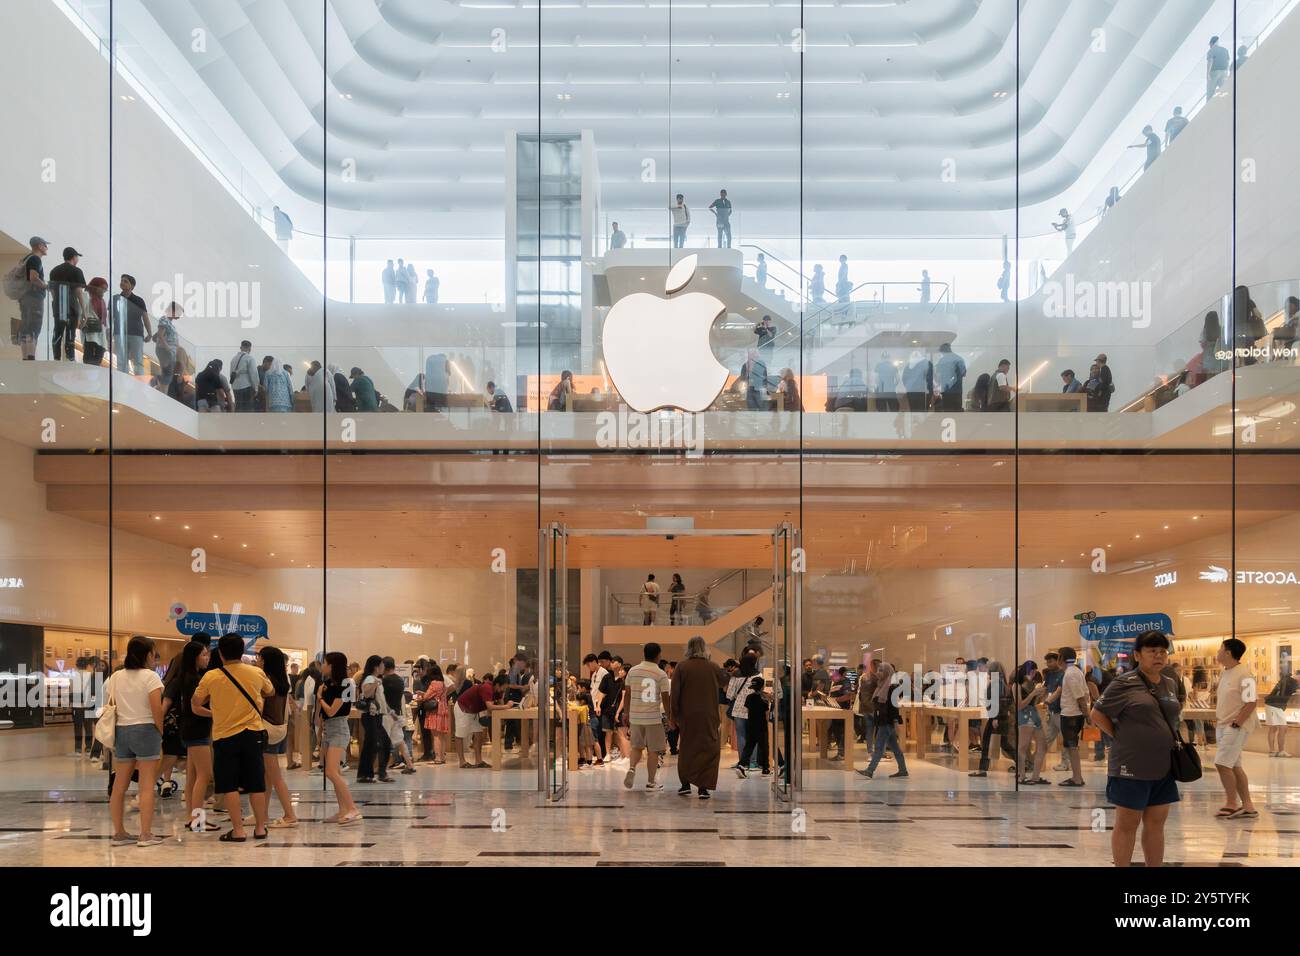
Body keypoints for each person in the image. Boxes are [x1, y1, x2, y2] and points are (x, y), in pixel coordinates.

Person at [1089, 631, 1182, 866]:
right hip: (1131, 765)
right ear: (1137, 655)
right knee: (1127, 823)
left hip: (1164, 765)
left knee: (1156, 824)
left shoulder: (1171, 683)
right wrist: (1119, 736)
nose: (1158, 656)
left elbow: (1173, 716)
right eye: (1152, 651)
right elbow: (1097, 714)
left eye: (1162, 651)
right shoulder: (1124, 683)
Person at [191, 634, 273, 842]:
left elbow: (195, 703)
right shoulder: (256, 672)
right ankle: (261, 828)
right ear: (241, 651)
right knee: (256, 783)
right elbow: (270, 691)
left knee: (229, 784)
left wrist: (214, 709)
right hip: (253, 733)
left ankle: (238, 831)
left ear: (220, 653)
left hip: (224, 736)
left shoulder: (211, 676)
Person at [105, 636, 166, 847]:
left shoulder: (115, 677)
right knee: (146, 785)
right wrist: (160, 730)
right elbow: (156, 709)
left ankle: (119, 833)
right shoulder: (150, 677)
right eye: (153, 652)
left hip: (122, 731)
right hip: (146, 729)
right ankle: (145, 835)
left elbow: (111, 704)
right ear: (147, 654)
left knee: (119, 786)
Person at [671, 636, 729, 798]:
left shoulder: (681, 667)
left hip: (687, 716)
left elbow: (674, 694)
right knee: (709, 748)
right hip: (709, 714)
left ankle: (685, 784)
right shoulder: (712, 666)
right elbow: (725, 681)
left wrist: (673, 716)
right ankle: (703, 786)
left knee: (687, 748)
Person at [253, 645, 299, 827]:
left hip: (266, 731)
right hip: (278, 729)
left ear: (264, 660)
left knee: (275, 777)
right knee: (268, 777)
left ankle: (290, 815)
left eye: (258, 657)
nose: (257, 660)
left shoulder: (266, 680)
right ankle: (261, 814)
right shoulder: (282, 681)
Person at [619, 642, 673, 791]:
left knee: (636, 747)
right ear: (658, 655)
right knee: (653, 751)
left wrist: (626, 713)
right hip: (653, 718)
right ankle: (650, 782)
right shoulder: (660, 674)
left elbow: (628, 694)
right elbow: (665, 698)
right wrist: (669, 716)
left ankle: (631, 768)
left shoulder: (633, 671)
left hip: (636, 717)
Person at [316, 652, 362, 825]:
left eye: (325, 663)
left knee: (331, 772)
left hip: (339, 730)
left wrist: (319, 697)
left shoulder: (345, 684)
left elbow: (331, 711)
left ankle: (352, 808)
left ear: (333, 665)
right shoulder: (328, 683)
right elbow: (323, 715)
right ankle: (342, 810)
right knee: (334, 772)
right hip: (329, 730)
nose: (323, 666)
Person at [1214, 638, 1258, 818]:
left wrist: (1236, 723)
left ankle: (1232, 802)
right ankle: (1248, 806)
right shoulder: (1226, 672)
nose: (1217, 652)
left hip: (1236, 725)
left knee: (1222, 763)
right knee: (1234, 765)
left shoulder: (1245, 674)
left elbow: (1251, 702)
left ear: (1228, 653)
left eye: (1220, 649)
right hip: (1224, 724)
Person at [858, 661, 908, 779]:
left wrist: (895, 722)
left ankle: (870, 770)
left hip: (887, 722)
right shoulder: (881, 685)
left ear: (887, 672)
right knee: (895, 748)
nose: (878, 673)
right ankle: (903, 770)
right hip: (882, 721)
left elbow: (893, 706)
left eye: (881, 670)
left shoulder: (891, 687)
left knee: (879, 747)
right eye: (878, 670)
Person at [456, 672, 507, 768]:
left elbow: (500, 704)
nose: (504, 689)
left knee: (479, 734)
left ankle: (478, 761)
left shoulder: (498, 692)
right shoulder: (487, 687)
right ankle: (462, 762)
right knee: (460, 735)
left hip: (474, 711)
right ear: (497, 685)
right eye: (503, 687)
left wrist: (504, 705)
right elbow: (490, 706)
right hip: (463, 708)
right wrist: (507, 706)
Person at [1057, 646, 1090, 786]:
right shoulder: (1077, 671)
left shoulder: (1070, 673)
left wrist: (1087, 716)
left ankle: (1077, 778)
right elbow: (1085, 694)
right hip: (1073, 714)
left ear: (1062, 658)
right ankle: (1077, 777)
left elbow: (1080, 697)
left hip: (1071, 715)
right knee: (1072, 747)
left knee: (1072, 747)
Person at [357, 655, 393, 783]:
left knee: (373, 744)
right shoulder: (370, 679)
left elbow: (380, 700)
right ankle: (371, 774)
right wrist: (376, 683)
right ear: (376, 666)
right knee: (378, 744)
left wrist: (390, 712)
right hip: (371, 716)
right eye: (382, 665)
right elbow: (367, 694)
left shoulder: (375, 678)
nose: (384, 667)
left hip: (376, 717)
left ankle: (368, 774)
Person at [48, 246, 86, 362]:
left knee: (58, 332)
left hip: (58, 307)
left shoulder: (54, 270)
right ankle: (70, 358)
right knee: (70, 334)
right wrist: (84, 310)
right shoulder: (76, 271)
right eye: (77, 257)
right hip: (71, 307)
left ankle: (56, 358)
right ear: (74, 257)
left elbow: (53, 291)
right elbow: (79, 291)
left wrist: (57, 302)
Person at [380, 657, 416, 774]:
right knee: (400, 741)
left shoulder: (384, 681)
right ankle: (410, 765)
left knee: (383, 741)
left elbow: (382, 699)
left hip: (387, 714)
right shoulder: (400, 680)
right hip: (397, 714)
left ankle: (381, 768)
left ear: (384, 666)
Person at [16, 237, 49, 360]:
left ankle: (25, 358)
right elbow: (33, 277)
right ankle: (30, 357)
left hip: (24, 297)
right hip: (34, 297)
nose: (47, 248)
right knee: (34, 326)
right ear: (40, 245)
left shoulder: (26, 258)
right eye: (45, 245)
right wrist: (46, 286)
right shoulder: (35, 259)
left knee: (26, 325)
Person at [112, 274, 152, 375]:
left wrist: (150, 333)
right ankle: (122, 382)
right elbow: (112, 316)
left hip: (136, 334)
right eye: (122, 281)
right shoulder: (115, 298)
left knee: (138, 360)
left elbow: (145, 317)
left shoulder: (139, 300)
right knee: (121, 361)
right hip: (120, 333)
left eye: (126, 281)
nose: (122, 283)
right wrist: (110, 329)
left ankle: (139, 385)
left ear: (132, 286)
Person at [735, 677, 770, 777]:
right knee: (764, 747)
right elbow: (766, 714)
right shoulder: (764, 699)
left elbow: (747, 710)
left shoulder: (749, 697)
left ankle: (741, 765)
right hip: (761, 726)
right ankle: (765, 768)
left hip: (750, 725)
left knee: (748, 747)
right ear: (763, 686)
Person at [417, 661, 450, 764]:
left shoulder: (434, 683)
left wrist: (422, 695)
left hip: (435, 711)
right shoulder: (442, 683)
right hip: (443, 709)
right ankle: (442, 757)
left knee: (435, 736)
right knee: (442, 736)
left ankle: (438, 758)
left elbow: (427, 696)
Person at [153, 302, 181, 396]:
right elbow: (160, 335)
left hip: (169, 352)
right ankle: (162, 394)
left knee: (167, 374)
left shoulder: (169, 323)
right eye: (179, 313)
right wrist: (167, 348)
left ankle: (159, 390)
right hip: (165, 351)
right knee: (167, 374)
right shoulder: (164, 319)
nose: (179, 316)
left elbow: (158, 335)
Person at [82, 277, 109, 365]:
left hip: (101, 334)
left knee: (98, 358)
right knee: (88, 357)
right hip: (91, 332)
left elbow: (105, 320)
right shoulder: (86, 295)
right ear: (95, 286)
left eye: (105, 289)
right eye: (102, 288)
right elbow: (83, 312)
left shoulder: (102, 301)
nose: (103, 291)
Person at [934, 342, 965, 411]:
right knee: (957, 412)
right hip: (957, 391)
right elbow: (964, 373)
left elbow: (937, 376)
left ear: (943, 351)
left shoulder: (942, 361)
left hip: (946, 391)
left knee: (947, 413)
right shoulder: (959, 359)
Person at [228, 341, 257, 412]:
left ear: (241, 347)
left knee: (239, 409)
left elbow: (231, 374)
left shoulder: (233, 359)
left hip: (235, 387)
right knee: (248, 409)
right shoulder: (250, 358)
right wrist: (256, 388)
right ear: (250, 349)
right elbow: (253, 374)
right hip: (246, 386)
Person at [1207, 35, 1230, 100]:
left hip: (1214, 72)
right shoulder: (1225, 50)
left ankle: (1209, 108)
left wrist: (1208, 74)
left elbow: (1210, 62)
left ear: (1211, 43)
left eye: (1210, 44)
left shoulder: (1211, 50)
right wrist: (1227, 71)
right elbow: (1228, 61)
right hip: (1224, 72)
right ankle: (1223, 103)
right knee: (1223, 90)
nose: (1210, 46)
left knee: (1210, 92)